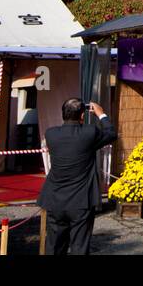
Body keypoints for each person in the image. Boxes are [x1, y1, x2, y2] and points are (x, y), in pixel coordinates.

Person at [37, 98, 117, 255]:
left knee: (54, 244)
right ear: (82, 115)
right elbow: (111, 133)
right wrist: (101, 115)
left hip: (55, 198)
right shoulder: (89, 133)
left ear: (63, 114)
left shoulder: (51, 134)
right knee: (79, 246)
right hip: (81, 199)